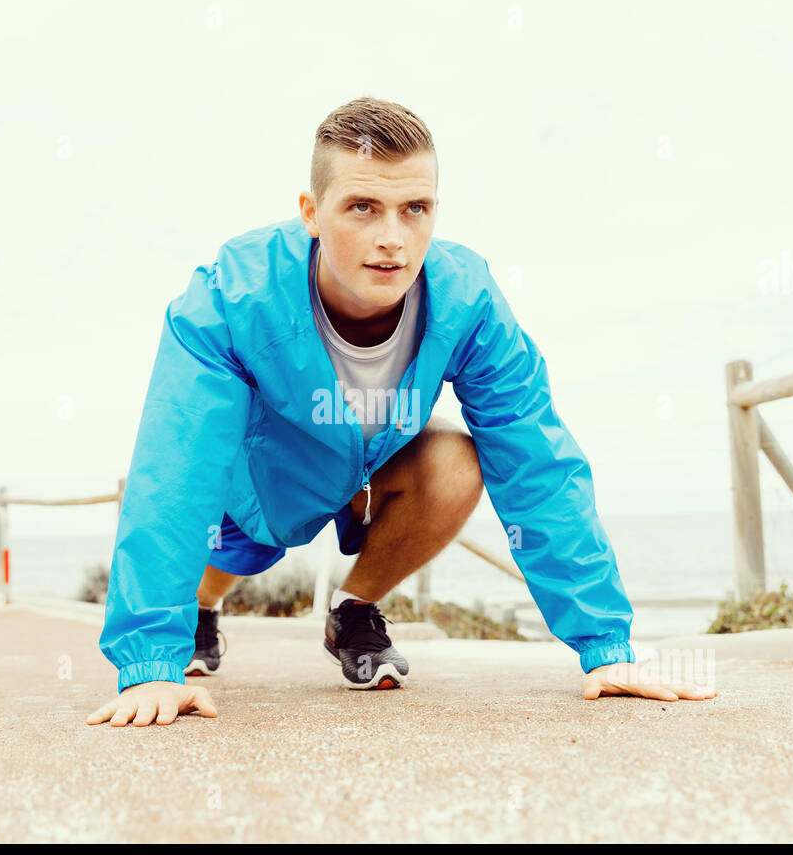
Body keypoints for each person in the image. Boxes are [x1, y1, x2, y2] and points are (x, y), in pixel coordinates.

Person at [88, 97, 715, 728]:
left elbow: (536, 461)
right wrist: (149, 666)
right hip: (264, 477)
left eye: (415, 209)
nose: (393, 237)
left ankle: (354, 611)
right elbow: (176, 466)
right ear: (311, 212)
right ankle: (203, 611)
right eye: (362, 208)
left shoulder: (466, 298)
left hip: (376, 464)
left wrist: (605, 648)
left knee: (456, 461)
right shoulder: (232, 295)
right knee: (234, 554)